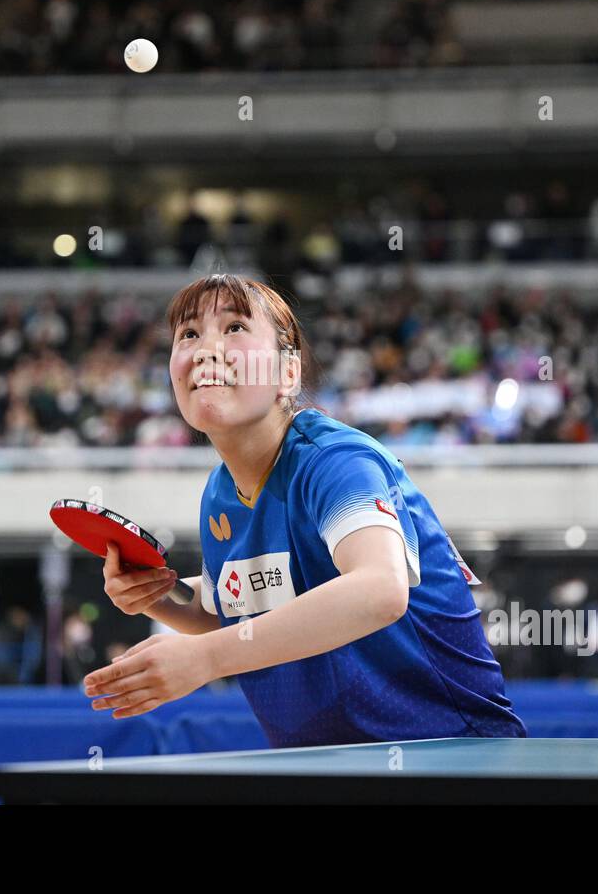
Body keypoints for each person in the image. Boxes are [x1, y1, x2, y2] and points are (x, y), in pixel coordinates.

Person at [85, 273, 524, 747]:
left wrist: (206, 658)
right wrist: (158, 594)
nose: (206, 349)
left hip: (448, 756)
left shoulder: (335, 461)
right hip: (323, 767)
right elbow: (231, 607)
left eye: (234, 328)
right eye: (189, 334)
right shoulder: (219, 494)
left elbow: (379, 589)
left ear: (288, 374)